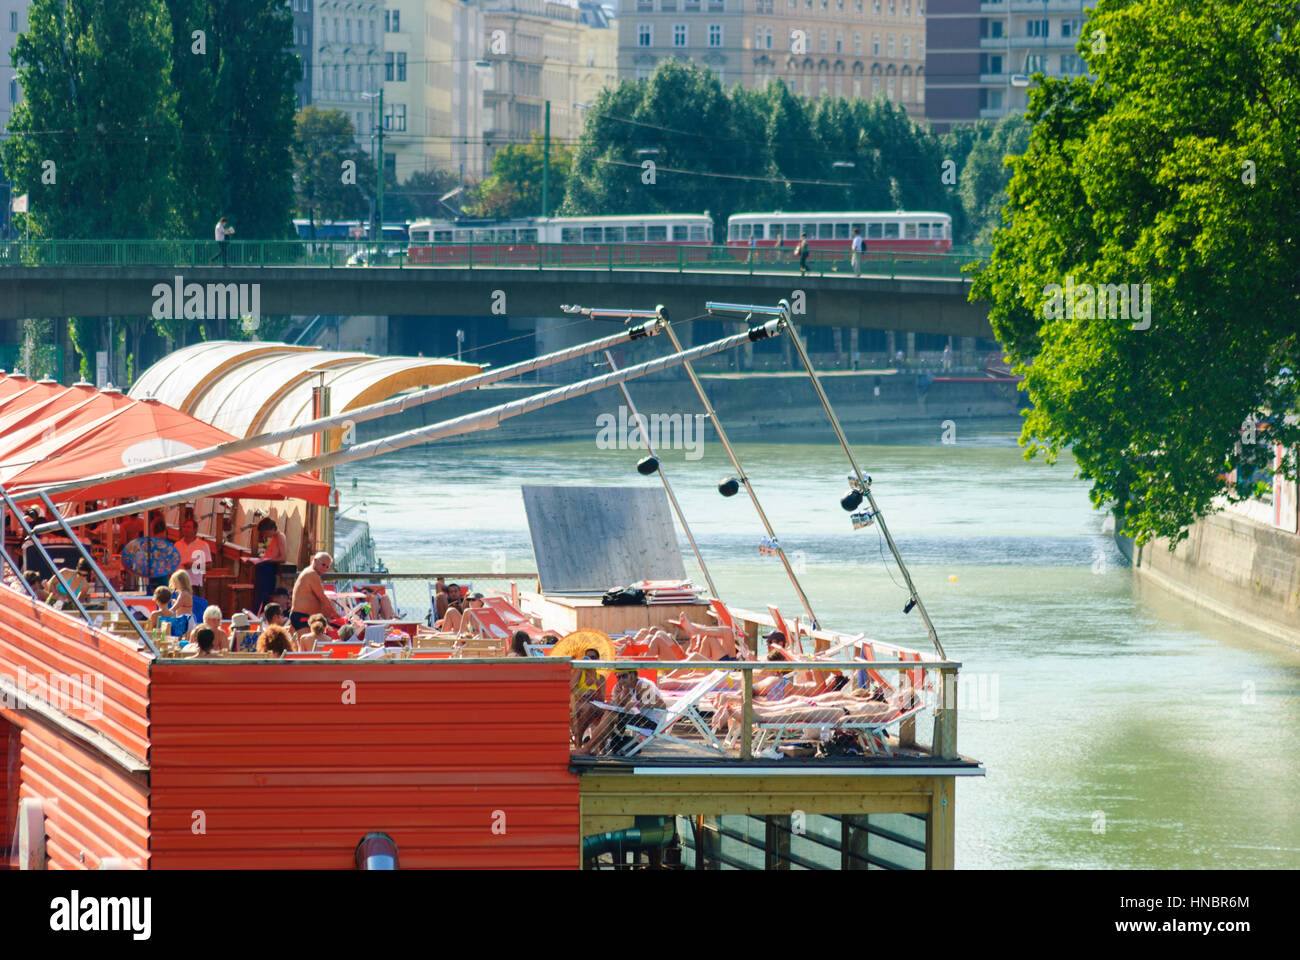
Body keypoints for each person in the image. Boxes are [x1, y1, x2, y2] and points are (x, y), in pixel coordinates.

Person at [290, 552, 340, 631]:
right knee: (308, 642)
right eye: (323, 565)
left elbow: (320, 599)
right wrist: (335, 614)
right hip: (302, 617)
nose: (325, 569)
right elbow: (322, 597)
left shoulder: (310, 573)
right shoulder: (312, 573)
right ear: (315, 561)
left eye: (327, 567)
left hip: (305, 617)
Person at [248, 516, 286, 614]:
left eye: (265, 532)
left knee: (263, 597)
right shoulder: (273, 537)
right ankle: (257, 614)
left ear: (272, 529)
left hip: (268, 570)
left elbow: (283, 558)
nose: (264, 535)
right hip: (265, 568)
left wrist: (266, 560)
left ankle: (260, 615)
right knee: (258, 596)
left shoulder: (280, 537)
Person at [174, 517, 213, 594]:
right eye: (184, 527)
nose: (185, 529)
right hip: (179, 584)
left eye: (188, 527)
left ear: (195, 530)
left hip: (195, 584)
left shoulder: (203, 545)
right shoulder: (177, 545)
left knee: (194, 605)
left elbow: (209, 566)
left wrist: (193, 566)